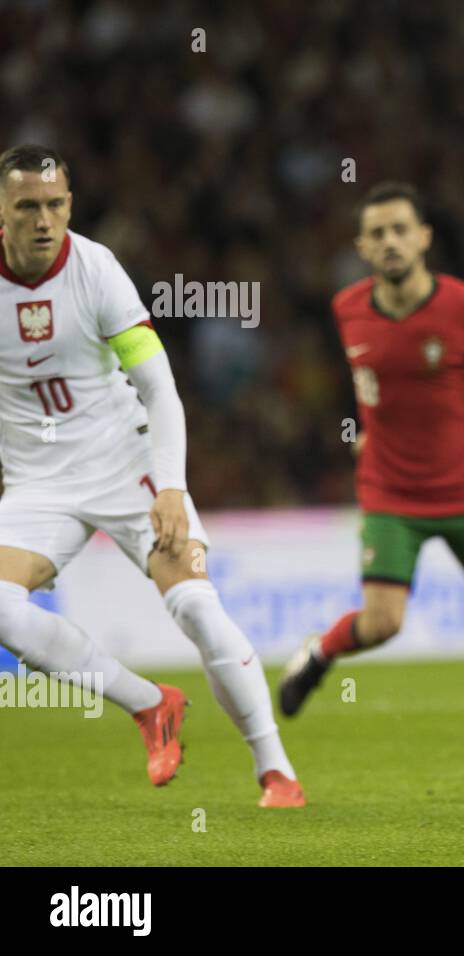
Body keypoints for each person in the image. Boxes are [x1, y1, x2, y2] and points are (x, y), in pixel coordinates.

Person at [0, 144, 304, 808]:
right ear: (3, 210)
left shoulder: (96, 270)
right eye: (28, 206)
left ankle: (276, 769)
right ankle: (148, 704)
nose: (44, 220)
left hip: (125, 462)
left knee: (195, 605)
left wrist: (170, 485)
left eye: (55, 204)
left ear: (70, 204)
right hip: (37, 485)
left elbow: (159, 388)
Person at [279, 182, 464, 736]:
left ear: (423, 238)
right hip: (391, 494)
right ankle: (318, 655)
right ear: (361, 248)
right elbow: (372, 383)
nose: (390, 241)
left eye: (399, 230)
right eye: (377, 234)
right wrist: (365, 433)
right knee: (383, 623)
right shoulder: (347, 310)